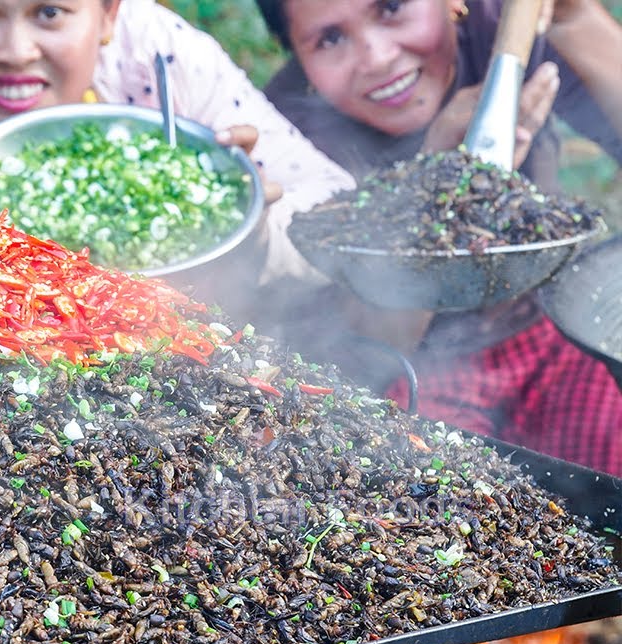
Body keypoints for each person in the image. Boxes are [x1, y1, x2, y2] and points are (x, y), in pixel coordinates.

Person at [0, 0, 357, 321]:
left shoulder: (155, 58)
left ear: (108, 16)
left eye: (51, 12)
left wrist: (252, 233)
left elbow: (338, 208)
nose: (16, 52)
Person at [254, 0, 622, 474]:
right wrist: (433, 183)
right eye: (329, 39)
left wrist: (573, 16)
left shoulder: (502, 28)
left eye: (390, 8)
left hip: (549, 331)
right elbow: (361, 344)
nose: (377, 57)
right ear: (296, 56)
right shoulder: (290, 132)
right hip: (412, 369)